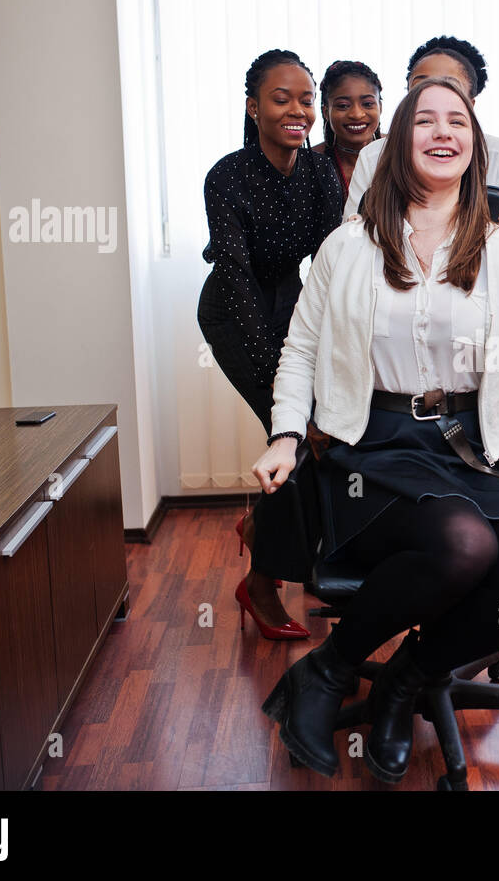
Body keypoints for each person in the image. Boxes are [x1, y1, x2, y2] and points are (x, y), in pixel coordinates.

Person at [253, 78, 499, 783]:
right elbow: (301, 347)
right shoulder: (346, 248)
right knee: (464, 543)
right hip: (374, 449)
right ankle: (331, 669)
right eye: (426, 122)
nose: (445, 133)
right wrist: (287, 433)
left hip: (471, 447)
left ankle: (405, 678)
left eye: (459, 123)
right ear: (398, 143)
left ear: (474, 146)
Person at [197, 49, 343, 641]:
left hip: (293, 306)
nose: (297, 110)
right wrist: (276, 368)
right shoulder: (226, 176)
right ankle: (260, 583)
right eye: (281, 98)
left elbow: (334, 265)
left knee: (327, 434)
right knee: (297, 438)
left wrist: (332, 352)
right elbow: (234, 274)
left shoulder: (319, 172)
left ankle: (272, 537)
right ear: (253, 106)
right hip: (236, 316)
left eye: (306, 99)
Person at [344, 35, 499, 234]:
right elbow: (349, 237)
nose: (434, 94)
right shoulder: (374, 155)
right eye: (421, 86)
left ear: (470, 105)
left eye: (450, 88)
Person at [311, 59, 383, 197]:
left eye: (367, 104)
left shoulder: (400, 152)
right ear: (326, 112)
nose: (356, 114)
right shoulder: (311, 163)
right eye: (343, 105)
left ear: (380, 107)